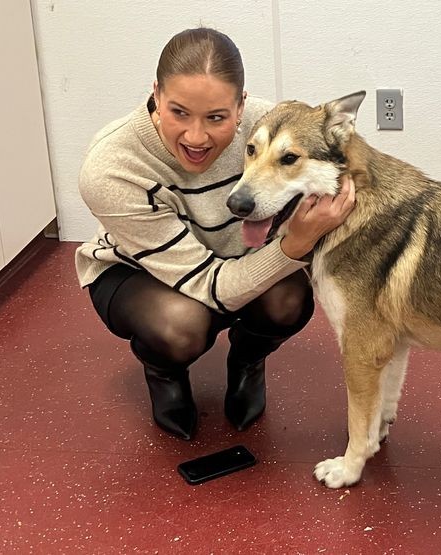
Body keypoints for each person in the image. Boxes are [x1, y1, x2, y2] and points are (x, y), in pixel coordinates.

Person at [75, 27, 354, 440]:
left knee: (290, 300)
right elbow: (208, 284)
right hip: (142, 272)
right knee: (180, 326)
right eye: (179, 112)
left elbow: (337, 161)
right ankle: (164, 371)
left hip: (236, 256)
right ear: (155, 94)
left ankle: (248, 359)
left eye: (217, 118)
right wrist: (297, 243)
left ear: (242, 106)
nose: (196, 137)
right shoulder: (111, 169)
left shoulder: (268, 125)